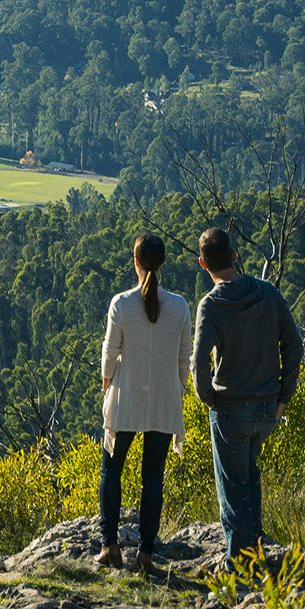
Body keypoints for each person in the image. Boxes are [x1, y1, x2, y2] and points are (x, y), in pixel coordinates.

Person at [188, 226, 304, 570]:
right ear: (234, 255)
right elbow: (294, 346)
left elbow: (198, 361)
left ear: (203, 264)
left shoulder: (211, 305)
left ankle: (240, 566)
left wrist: (209, 398)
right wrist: (283, 398)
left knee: (232, 490)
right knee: (250, 478)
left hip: (231, 410)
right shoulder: (268, 293)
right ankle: (256, 549)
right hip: (267, 409)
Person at [97, 233, 192, 572]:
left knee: (112, 470)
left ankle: (109, 545)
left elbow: (110, 353)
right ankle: (146, 553)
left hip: (127, 397)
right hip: (163, 402)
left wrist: (107, 385)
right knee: (153, 478)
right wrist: (176, 389)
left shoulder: (121, 304)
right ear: (163, 263)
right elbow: (184, 359)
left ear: (135, 261)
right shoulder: (179, 306)